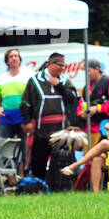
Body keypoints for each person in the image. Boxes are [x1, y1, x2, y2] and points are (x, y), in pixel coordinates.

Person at [19, 52, 81, 183]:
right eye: (60, 65)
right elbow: (26, 103)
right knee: (39, 160)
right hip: (42, 129)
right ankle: (38, 184)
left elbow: (72, 99)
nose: (62, 69)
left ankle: (60, 184)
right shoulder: (35, 81)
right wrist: (27, 120)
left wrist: (58, 85)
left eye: (63, 66)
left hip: (61, 129)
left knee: (60, 159)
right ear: (51, 64)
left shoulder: (64, 81)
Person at [0, 48, 28, 168]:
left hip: (23, 117)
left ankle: (26, 175)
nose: (14, 58)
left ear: (19, 60)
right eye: (11, 56)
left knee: (24, 147)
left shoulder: (27, 77)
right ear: (7, 61)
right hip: (6, 118)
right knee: (4, 146)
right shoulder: (1, 78)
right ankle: (5, 175)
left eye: (16, 56)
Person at [83, 59, 109, 137]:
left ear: (97, 69)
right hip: (90, 126)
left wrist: (97, 108)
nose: (87, 74)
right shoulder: (87, 87)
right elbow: (82, 103)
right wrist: (82, 113)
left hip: (108, 123)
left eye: (89, 70)